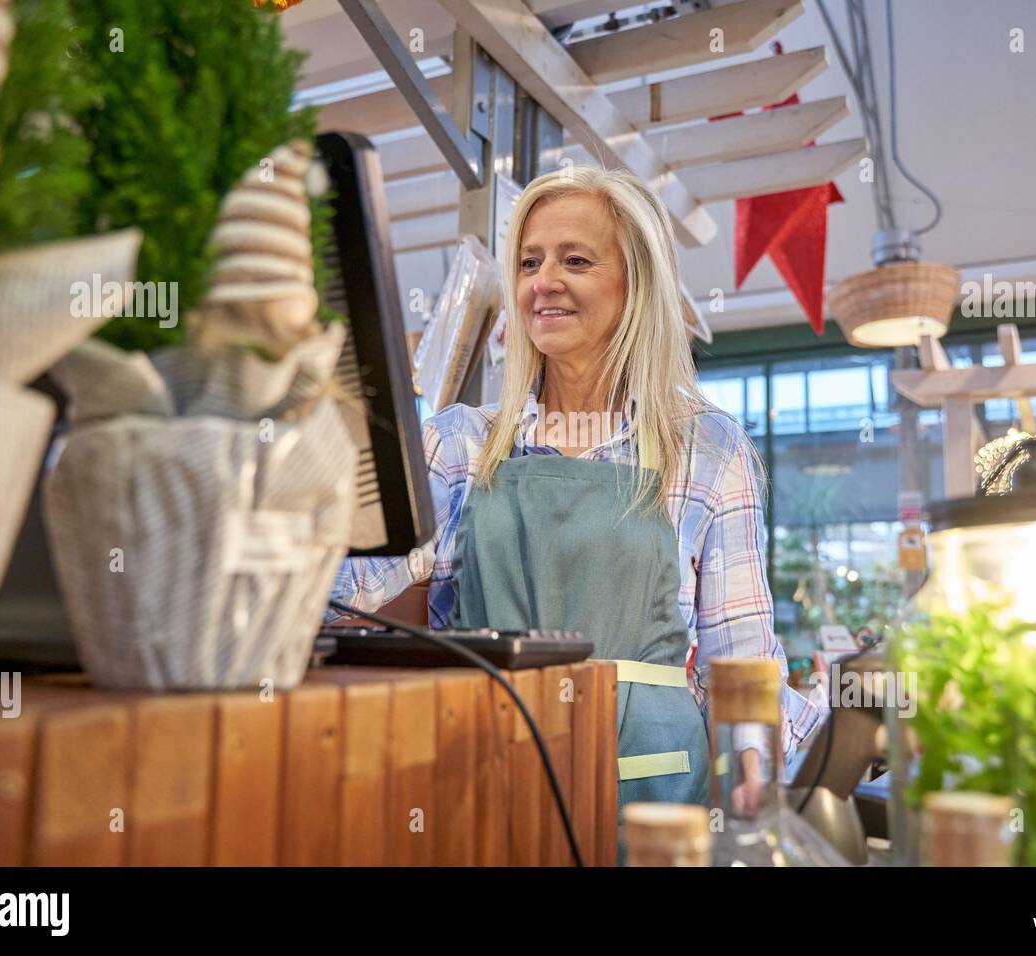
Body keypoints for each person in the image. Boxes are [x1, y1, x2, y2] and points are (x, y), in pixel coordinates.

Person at [328, 164, 821, 824]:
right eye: (529, 262)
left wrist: (755, 784)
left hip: (654, 804)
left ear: (635, 283)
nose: (543, 282)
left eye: (575, 260)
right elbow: (346, 589)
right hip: (486, 781)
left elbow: (740, 663)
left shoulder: (706, 447)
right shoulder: (460, 444)